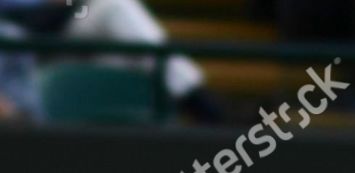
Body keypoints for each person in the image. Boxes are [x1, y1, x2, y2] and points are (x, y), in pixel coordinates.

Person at [0, 0, 221, 120]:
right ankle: (202, 105)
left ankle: (198, 115)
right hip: (24, 35)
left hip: (69, 22)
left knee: (130, 51)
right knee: (114, 7)